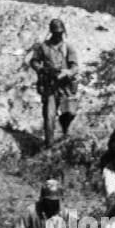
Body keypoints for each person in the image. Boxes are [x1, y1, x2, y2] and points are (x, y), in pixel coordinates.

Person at [27, 18, 78, 147]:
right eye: (55, 33)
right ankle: (49, 144)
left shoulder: (68, 47)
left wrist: (67, 72)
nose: (58, 35)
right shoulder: (43, 47)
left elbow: (75, 66)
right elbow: (33, 61)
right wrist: (41, 69)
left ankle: (65, 134)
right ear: (51, 32)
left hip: (64, 85)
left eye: (60, 32)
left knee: (70, 113)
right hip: (49, 85)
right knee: (49, 116)